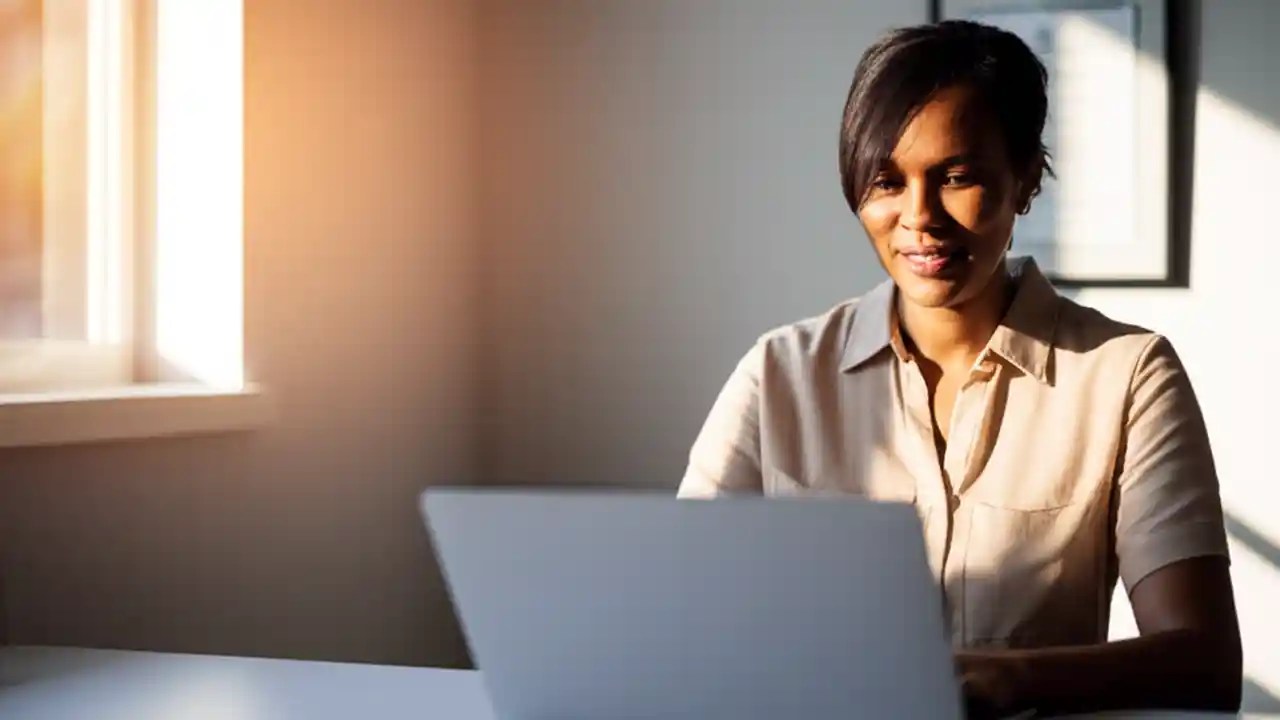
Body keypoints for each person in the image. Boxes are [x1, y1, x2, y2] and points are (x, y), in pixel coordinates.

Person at [677, 19, 1241, 718]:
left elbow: (1203, 662)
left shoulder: (1126, 376)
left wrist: (1009, 679)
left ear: (1026, 178)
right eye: (886, 181)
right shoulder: (779, 373)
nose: (919, 218)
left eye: (957, 177)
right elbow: (680, 617)